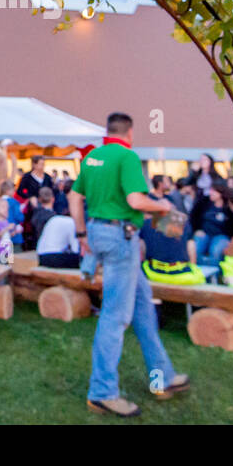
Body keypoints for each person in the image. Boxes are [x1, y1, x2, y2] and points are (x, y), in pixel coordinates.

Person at [71, 112, 188, 417]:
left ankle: (161, 377)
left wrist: (82, 232)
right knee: (115, 316)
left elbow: (74, 196)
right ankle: (102, 392)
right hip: (120, 237)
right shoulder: (126, 156)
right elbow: (136, 201)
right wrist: (162, 206)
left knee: (143, 309)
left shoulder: (93, 157)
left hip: (100, 233)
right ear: (130, 133)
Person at [139, 209, 204, 285]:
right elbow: (191, 248)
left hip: (153, 273)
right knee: (201, 278)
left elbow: (142, 249)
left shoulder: (145, 224)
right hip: (182, 275)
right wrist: (193, 266)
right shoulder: (183, 224)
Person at [36, 189, 81, 268]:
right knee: (82, 260)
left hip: (41, 254)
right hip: (53, 256)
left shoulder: (56, 219)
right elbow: (75, 248)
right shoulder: (71, 222)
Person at [192, 186, 233, 267]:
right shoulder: (203, 203)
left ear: (221, 193)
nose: (210, 193)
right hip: (204, 233)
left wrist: (231, 238)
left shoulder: (229, 207)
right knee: (195, 249)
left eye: (214, 191)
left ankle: (214, 276)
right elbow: (193, 217)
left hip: (222, 235)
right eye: (211, 190)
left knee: (215, 251)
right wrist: (196, 230)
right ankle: (198, 273)